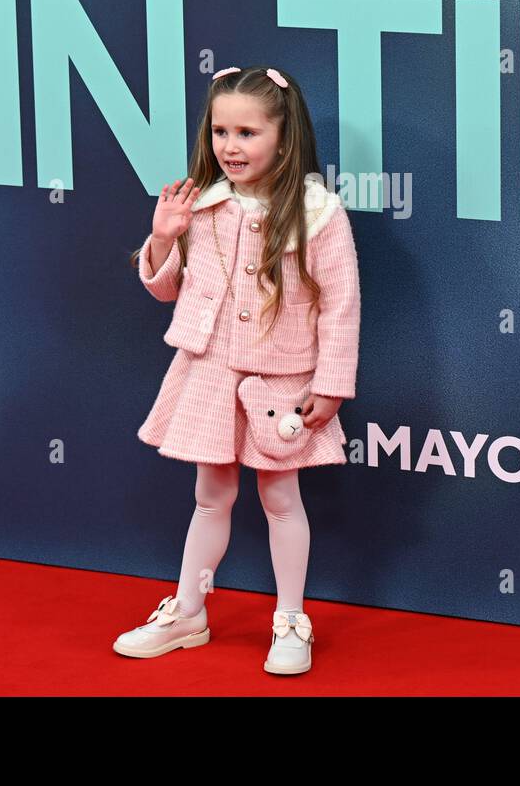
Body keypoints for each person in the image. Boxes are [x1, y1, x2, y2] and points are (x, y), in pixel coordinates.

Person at [115, 65, 360, 676]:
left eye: (248, 132)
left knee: (281, 498)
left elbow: (340, 305)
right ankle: (189, 611)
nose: (230, 146)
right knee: (210, 496)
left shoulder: (318, 213)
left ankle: (290, 619)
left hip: (282, 382)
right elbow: (170, 291)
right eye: (221, 131)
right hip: (210, 373)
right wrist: (162, 238)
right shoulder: (201, 205)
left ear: (284, 135)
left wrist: (330, 385)